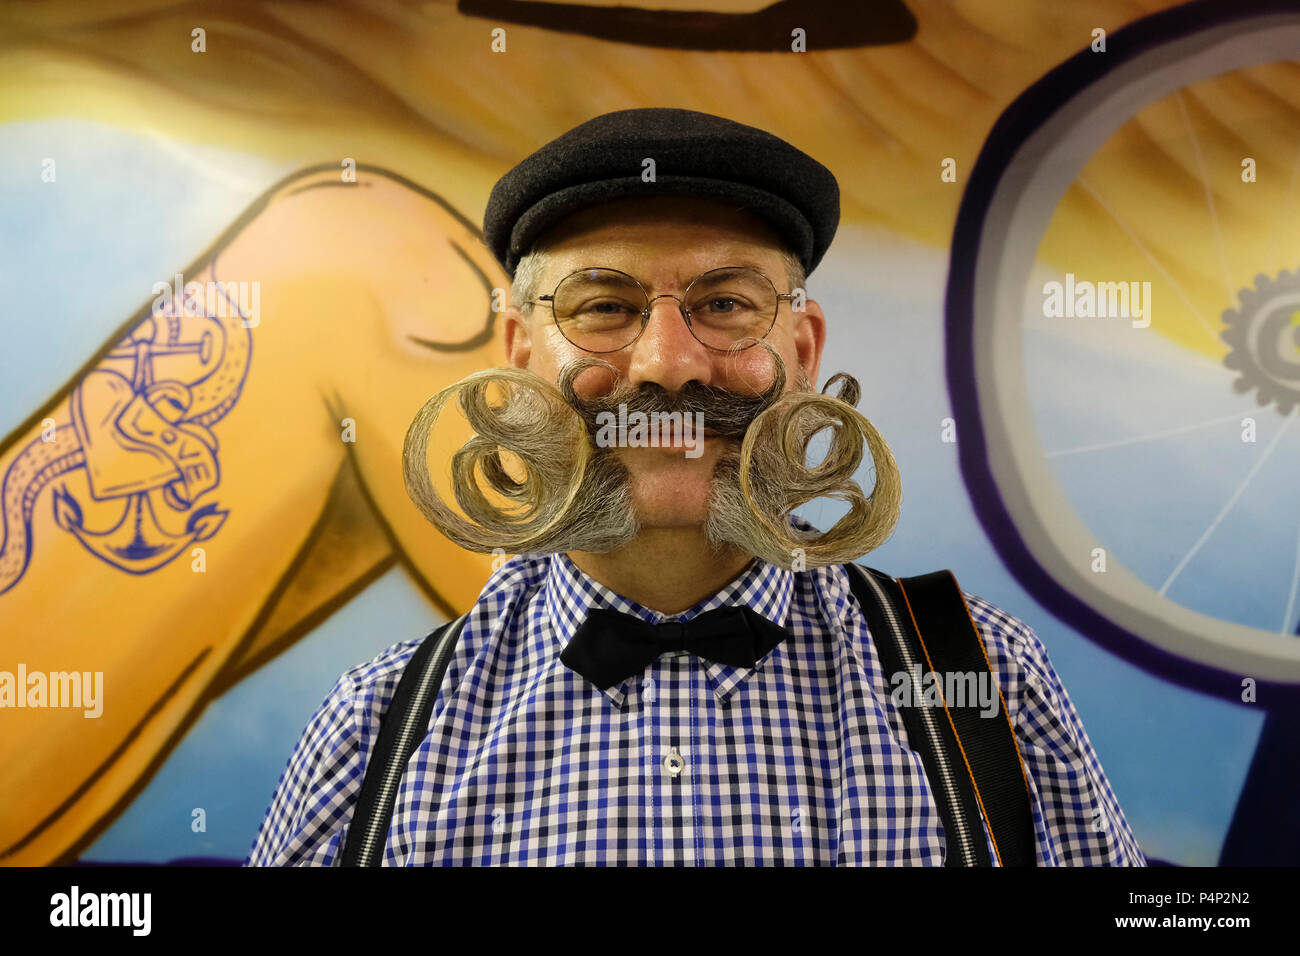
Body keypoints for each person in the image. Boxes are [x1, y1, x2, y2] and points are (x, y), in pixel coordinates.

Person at [246, 108, 1145, 866]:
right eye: (603, 305)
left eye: (724, 303)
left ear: (802, 351)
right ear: (520, 356)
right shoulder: (376, 724)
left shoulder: (981, 678)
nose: (668, 366)